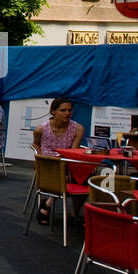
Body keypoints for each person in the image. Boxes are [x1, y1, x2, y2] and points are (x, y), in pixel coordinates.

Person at [32, 95, 84, 224]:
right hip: (48, 164)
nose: (67, 113)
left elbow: (74, 151)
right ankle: (51, 203)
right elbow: (35, 144)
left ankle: (68, 211)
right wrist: (39, 157)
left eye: (69, 110)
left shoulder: (78, 128)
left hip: (66, 164)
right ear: (53, 112)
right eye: (63, 110)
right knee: (71, 178)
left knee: (85, 178)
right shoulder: (41, 129)